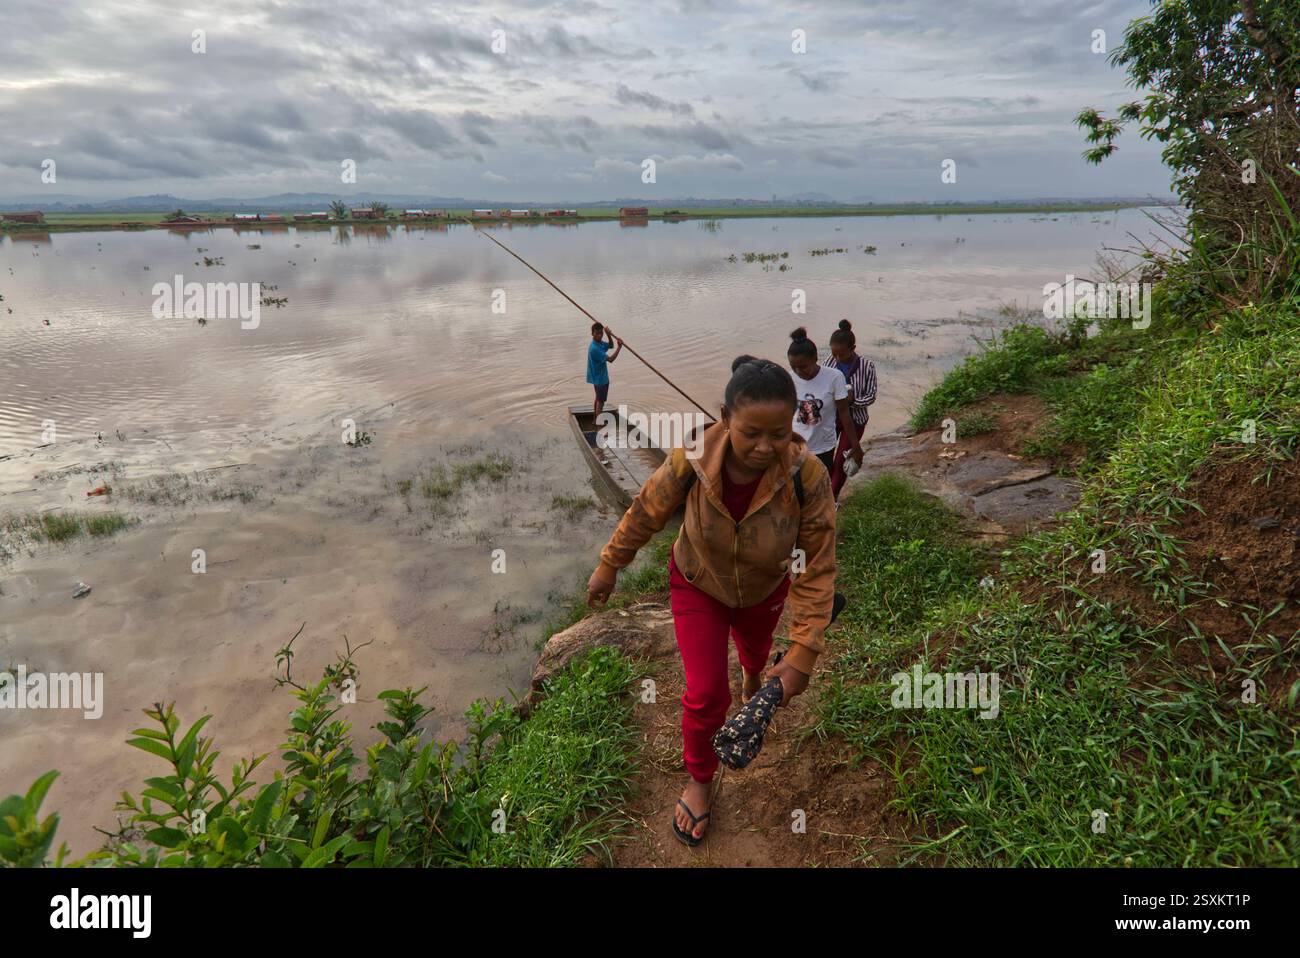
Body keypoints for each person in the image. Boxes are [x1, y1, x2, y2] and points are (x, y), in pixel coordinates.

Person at [586, 356, 837, 845]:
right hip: (698, 582)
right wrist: (610, 564)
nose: (765, 447)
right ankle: (700, 781)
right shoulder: (691, 458)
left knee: (756, 656)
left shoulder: (808, 477)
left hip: (765, 588)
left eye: (779, 433)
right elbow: (647, 511)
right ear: (725, 418)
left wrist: (805, 649)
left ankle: (751, 676)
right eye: (750, 433)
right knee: (705, 695)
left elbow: (817, 564)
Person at [786, 327, 861, 479]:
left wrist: (855, 445)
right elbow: (784, 414)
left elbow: (844, 412)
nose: (798, 371)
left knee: (820, 486)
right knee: (795, 487)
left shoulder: (834, 377)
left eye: (803, 366)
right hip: (795, 445)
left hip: (824, 446)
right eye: (793, 366)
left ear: (815, 358)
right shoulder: (789, 378)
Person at [822, 319, 877, 499]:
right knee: (826, 460)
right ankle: (823, 495)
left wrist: (852, 402)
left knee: (842, 462)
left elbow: (871, 395)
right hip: (832, 419)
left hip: (855, 420)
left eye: (842, 354)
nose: (837, 358)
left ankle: (833, 496)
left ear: (853, 348)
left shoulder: (867, 366)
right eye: (834, 353)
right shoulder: (828, 363)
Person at [586, 322, 622, 419]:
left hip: (597, 377)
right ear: (592, 333)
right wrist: (619, 348)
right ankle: (599, 426)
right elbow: (610, 359)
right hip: (600, 379)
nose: (599, 335)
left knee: (598, 399)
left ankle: (595, 420)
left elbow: (610, 346)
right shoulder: (594, 348)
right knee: (600, 402)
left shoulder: (599, 343)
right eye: (597, 333)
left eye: (601, 333)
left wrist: (608, 335)